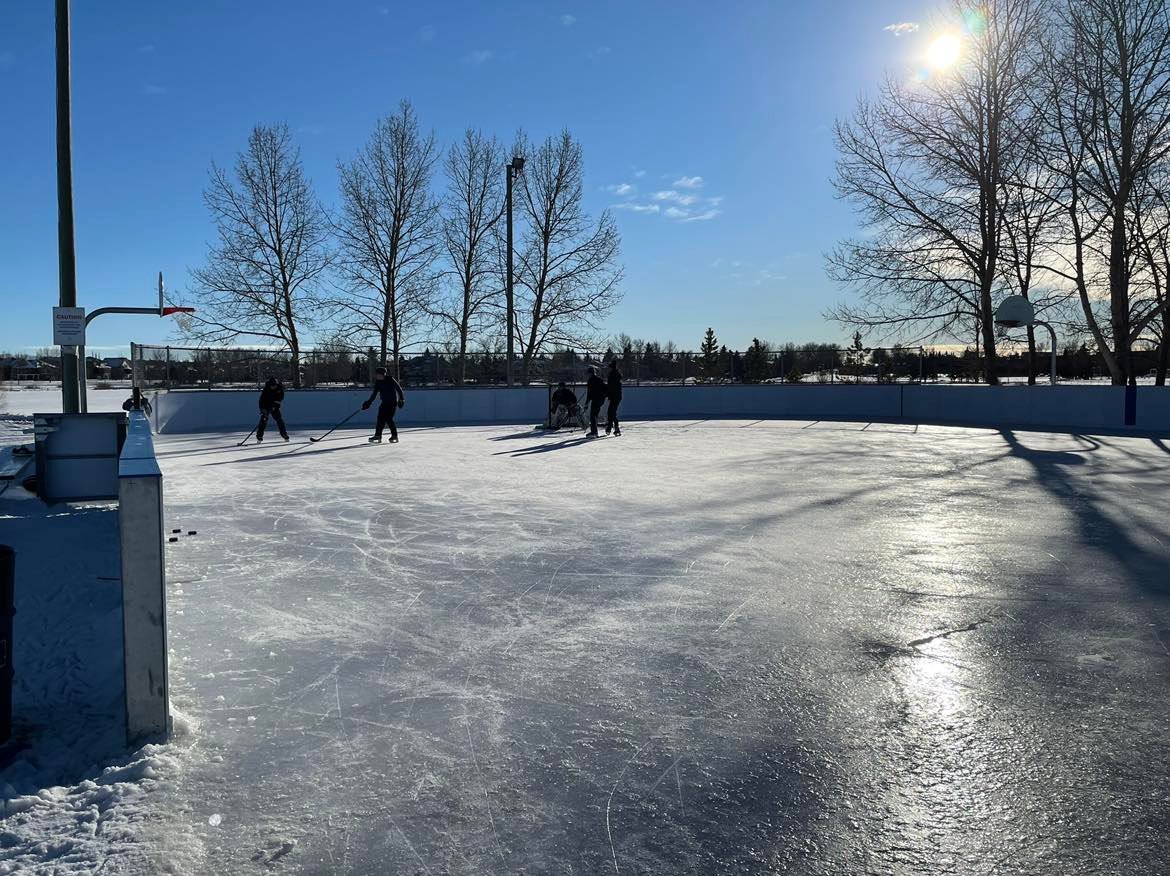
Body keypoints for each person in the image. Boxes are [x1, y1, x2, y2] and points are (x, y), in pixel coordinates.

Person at [362, 366, 405, 443]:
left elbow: (399, 389)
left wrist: (401, 399)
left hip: (392, 403)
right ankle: (378, 435)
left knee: (388, 418)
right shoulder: (378, 382)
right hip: (384, 402)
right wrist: (368, 402)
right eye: (377, 375)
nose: (377, 376)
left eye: (379, 375)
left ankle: (394, 435)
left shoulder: (390, 379)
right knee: (380, 418)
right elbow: (374, 394)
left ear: (383, 374)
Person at [255, 376, 288, 443]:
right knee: (263, 421)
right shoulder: (266, 390)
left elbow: (280, 399)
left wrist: (274, 406)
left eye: (274, 385)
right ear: (269, 385)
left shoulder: (279, 389)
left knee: (279, 420)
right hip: (266, 406)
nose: (273, 387)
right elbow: (261, 401)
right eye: (272, 386)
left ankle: (284, 435)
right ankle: (259, 436)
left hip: (275, 407)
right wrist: (263, 409)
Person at [585, 365, 608, 438]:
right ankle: (594, 432)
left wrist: (587, 403)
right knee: (595, 415)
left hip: (596, 399)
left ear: (590, 373)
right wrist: (604, 396)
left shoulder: (590, 380)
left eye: (588, 373)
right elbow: (605, 388)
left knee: (593, 416)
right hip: (601, 399)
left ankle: (594, 432)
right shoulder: (599, 379)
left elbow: (589, 393)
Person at [605, 360, 623, 436]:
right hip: (616, 396)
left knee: (611, 412)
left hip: (615, 396)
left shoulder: (612, 375)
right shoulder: (616, 374)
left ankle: (612, 427)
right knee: (612, 412)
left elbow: (610, 387)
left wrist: (606, 393)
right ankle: (613, 427)